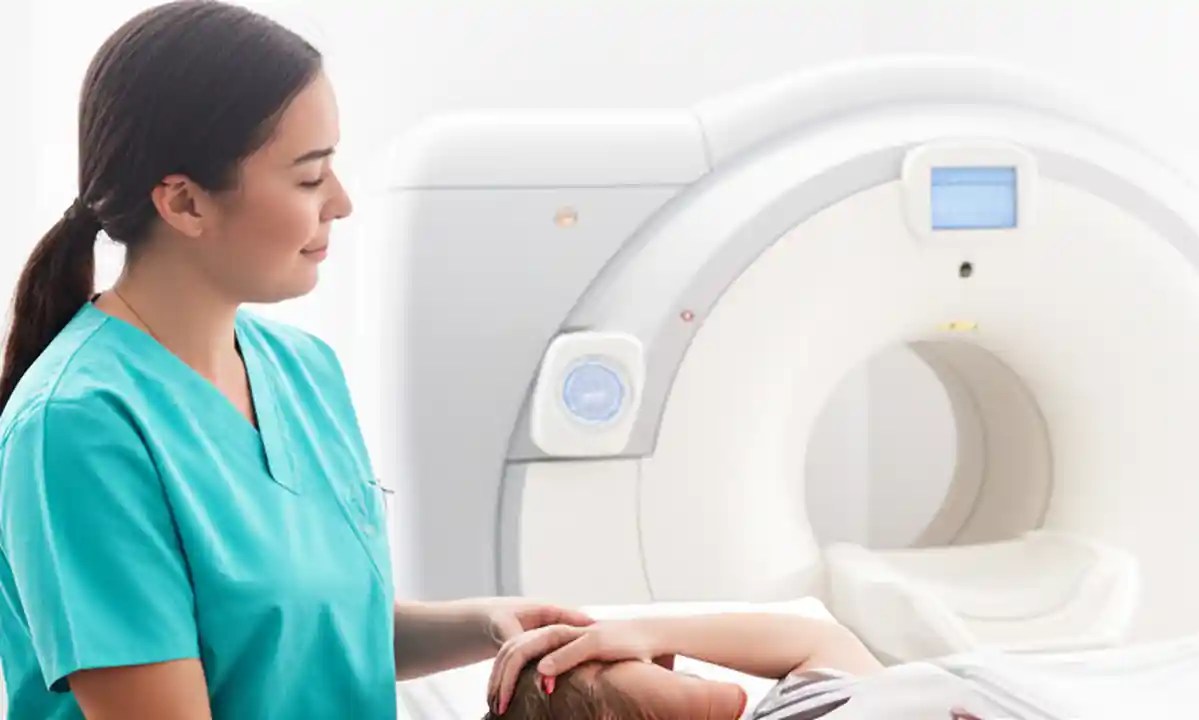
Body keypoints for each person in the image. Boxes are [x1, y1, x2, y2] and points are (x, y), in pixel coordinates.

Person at [0, 2, 588, 718]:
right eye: (310, 178)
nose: (340, 202)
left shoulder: (304, 369)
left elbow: (304, 636)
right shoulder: (76, 428)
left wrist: (488, 625)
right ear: (185, 203)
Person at [486, 613, 999, 720]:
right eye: (602, 669)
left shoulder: (793, 702)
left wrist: (652, 631)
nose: (657, 660)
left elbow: (818, 639)